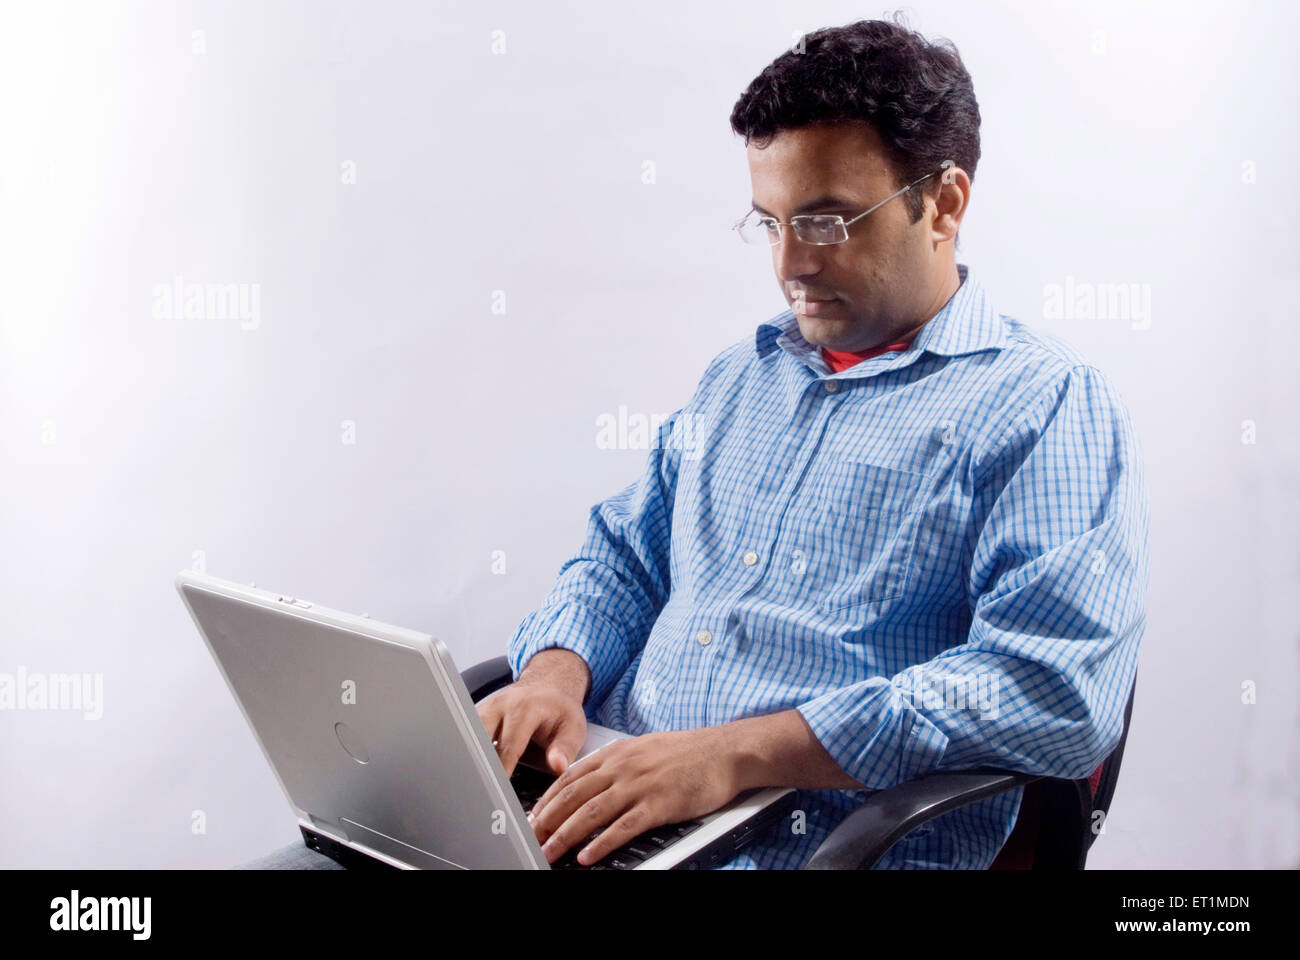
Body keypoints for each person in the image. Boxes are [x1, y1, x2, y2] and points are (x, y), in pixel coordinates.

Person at [242, 15, 1149, 871]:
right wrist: (558, 673)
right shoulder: (743, 377)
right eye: (770, 220)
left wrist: (734, 757)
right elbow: (627, 557)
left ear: (944, 202)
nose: (790, 263)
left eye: (828, 221)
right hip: (607, 807)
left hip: (799, 847)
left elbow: (1052, 693)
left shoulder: (1043, 404)